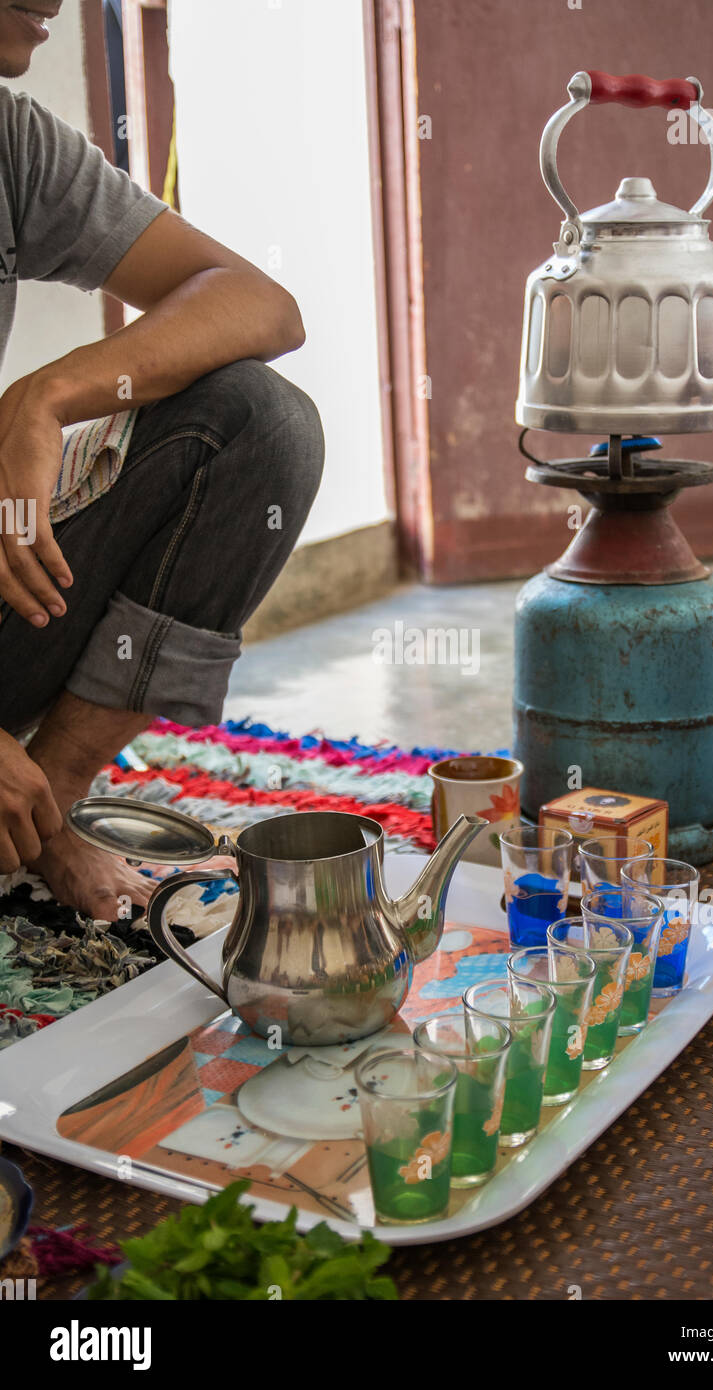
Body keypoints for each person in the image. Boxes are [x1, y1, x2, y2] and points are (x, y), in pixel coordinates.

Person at [0, 3, 324, 918]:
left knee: (258, 421)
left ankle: (39, 820)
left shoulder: (11, 143)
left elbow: (257, 304)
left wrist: (45, 397)